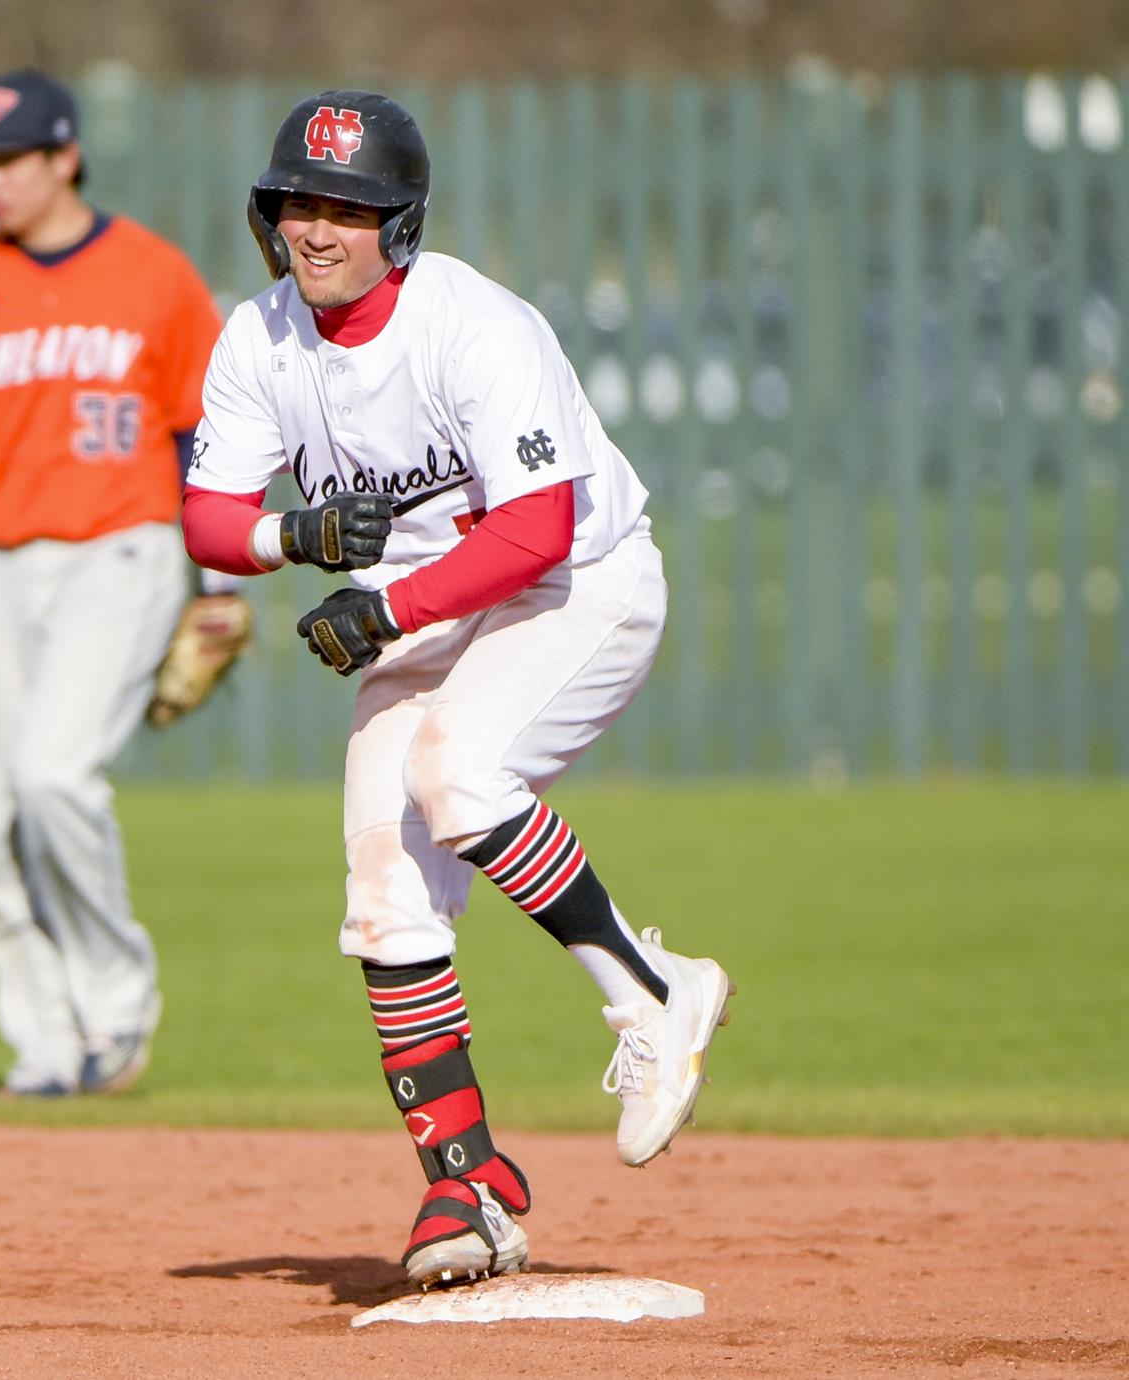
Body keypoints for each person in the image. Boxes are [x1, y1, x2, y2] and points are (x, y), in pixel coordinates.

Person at [181, 90, 736, 1288]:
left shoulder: (473, 325)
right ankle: (468, 1190)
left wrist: (379, 606)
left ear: (400, 224)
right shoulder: (257, 338)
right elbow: (208, 519)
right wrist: (299, 536)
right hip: (427, 612)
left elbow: (535, 529)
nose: (315, 227)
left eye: (347, 205)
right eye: (297, 201)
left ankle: (652, 994)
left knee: (457, 772)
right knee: (384, 897)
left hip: (577, 587)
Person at [0, 69, 227, 1098]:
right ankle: (43, 1044)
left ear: (64, 156)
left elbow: (197, 436)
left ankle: (116, 1011)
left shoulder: (152, 275)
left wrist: (216, 577)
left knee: (52, 776)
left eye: (10, 159)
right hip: (5, 566)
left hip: (122, 551)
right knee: (3, 814)